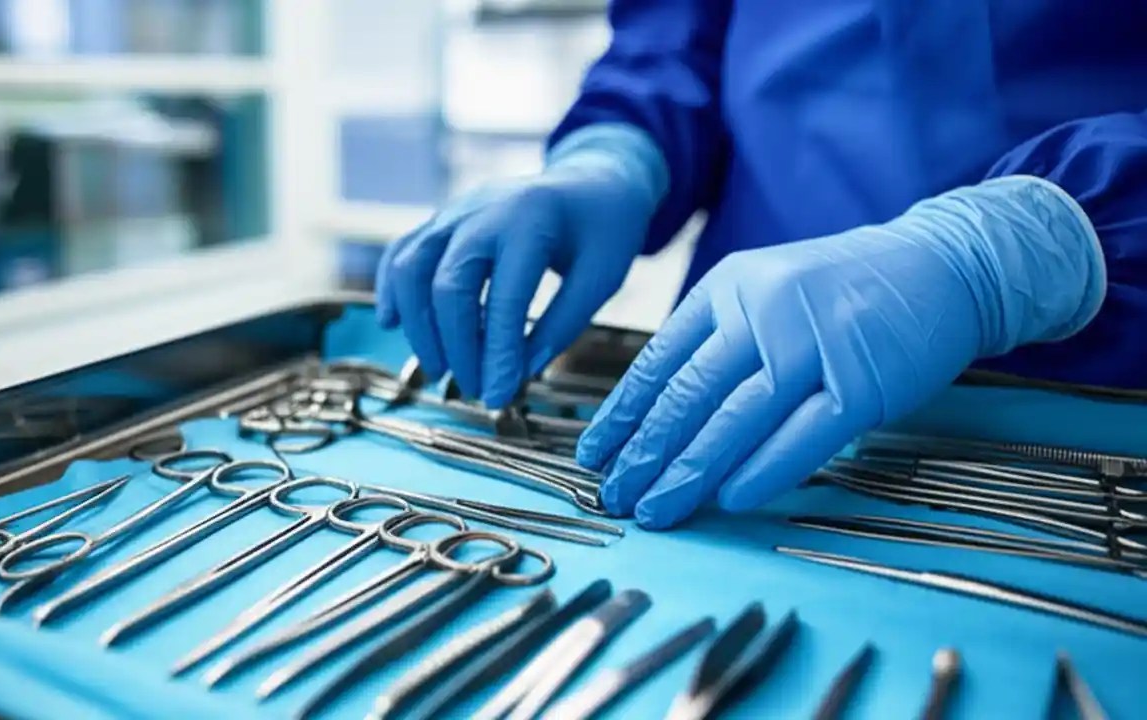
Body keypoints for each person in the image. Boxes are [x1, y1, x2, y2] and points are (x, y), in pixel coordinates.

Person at [374, 1, 1147, 529]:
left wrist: (1021, 249)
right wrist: (613, 155)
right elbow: (676, 43)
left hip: (1098, 396)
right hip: (750, 375)